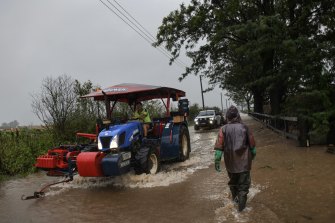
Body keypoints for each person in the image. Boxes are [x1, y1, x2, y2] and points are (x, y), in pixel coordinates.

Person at [214, 105, 256, 212]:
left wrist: (217, 162)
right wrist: (252, 157)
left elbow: (218, 150)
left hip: (230, 164)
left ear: (227, 116)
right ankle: (241, 211)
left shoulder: (223, 129)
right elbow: (253, 147)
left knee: (233, 183)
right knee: (243, 187)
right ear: (238, 116)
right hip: (244, 164)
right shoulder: (245, 127)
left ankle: (234, 203)